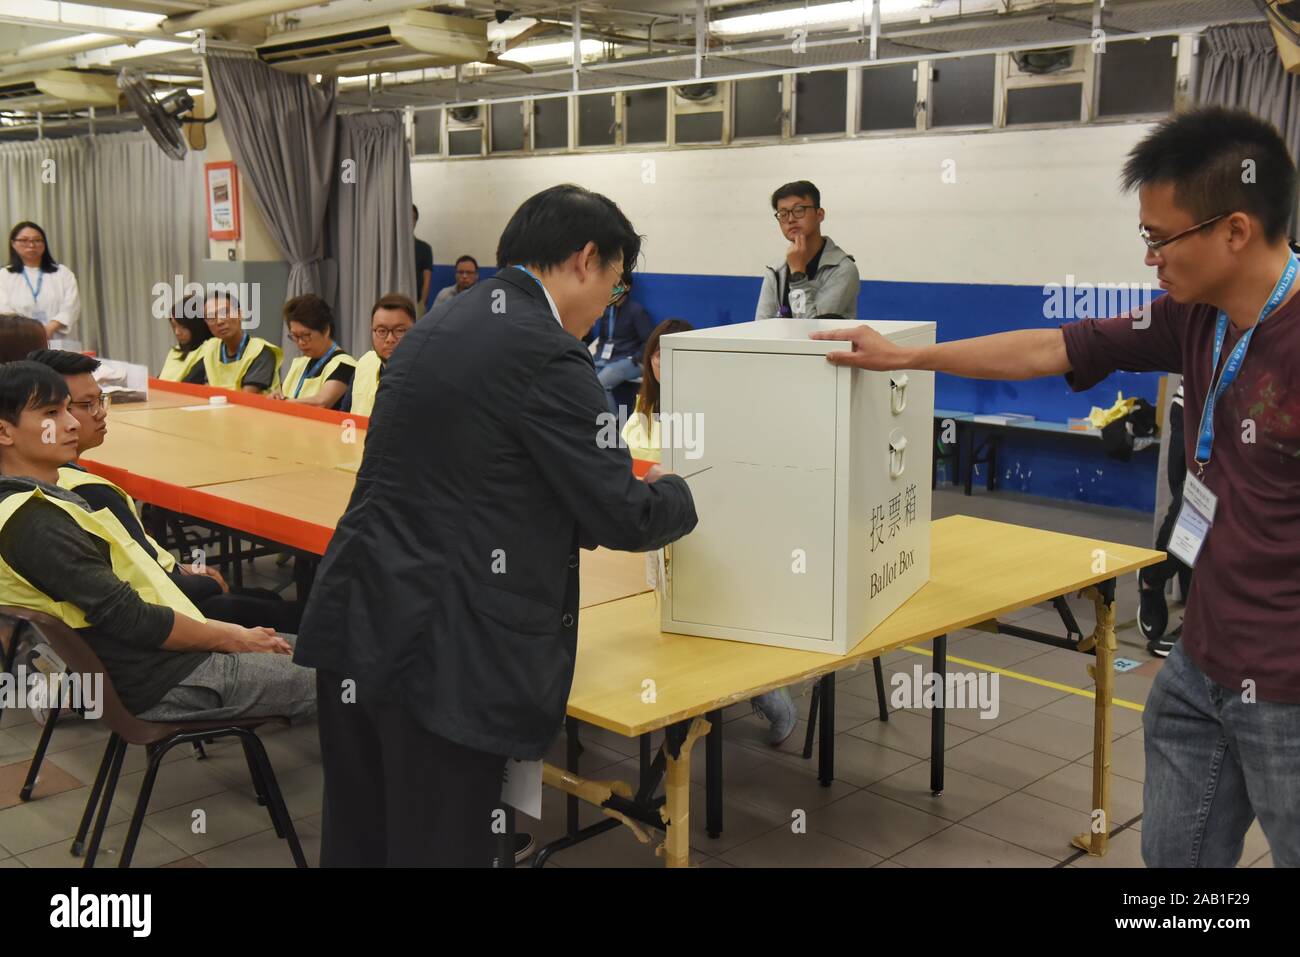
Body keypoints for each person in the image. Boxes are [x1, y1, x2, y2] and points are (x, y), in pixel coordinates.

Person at [814, 107, 1300, 869]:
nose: (1151, 259)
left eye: (1159, 237)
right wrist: (905, 359)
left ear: (1234, 230)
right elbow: (1053, 345)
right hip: (1202, 660)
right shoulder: (1193, 318)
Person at [293, 184, 698, 868]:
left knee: (363, 837)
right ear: (585, 258)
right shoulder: (548, 352)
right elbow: (618, 511)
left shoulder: (434, 326)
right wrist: (679, 495)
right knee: (447, 844)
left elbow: (484, 472)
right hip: (448, 659)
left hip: (357, 623)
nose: (609, 303)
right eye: (614, 283)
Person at [0, 360, 315, 723]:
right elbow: (131, 618)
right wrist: (234, 638)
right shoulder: (35, 522)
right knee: (355, 681)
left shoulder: (37, 502)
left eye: (71, 409)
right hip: (163, 675)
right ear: (5, 432)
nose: (71, 423)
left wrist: (232, 634)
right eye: (51, 413)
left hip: (156, 659)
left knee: (334, 657)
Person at [28, 348, 303, 636]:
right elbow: (148, 582)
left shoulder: (43, 479)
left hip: (159, 595)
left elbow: (138, 561)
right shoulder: (87, 492)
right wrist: (203, 582)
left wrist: (182, 568)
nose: (101, 412)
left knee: (265, 598)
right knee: (281, 611)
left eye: (101, 400)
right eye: (87, 405)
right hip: (168, 616)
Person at [1137, 382, 1192, 656]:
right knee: (1193, 511)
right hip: (1196, 410)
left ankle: (1153, 575)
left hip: (1250, 415)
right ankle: (1153, 577)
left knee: (1203, 518)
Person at [756, 181, 859, 320]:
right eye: (783, 213)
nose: (791, 219)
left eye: (799, 210)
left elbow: (812, 329)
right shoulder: (776, 270)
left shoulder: (842, 269)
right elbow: (761, 327)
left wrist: (797, 275)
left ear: (819, 214)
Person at [621, 318, 694, 462]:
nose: (670, 364)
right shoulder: (644, 402)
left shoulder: (699, 412)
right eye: (661, 356)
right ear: (650, 360)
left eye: (677, 356)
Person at [0, 222, 81, 347]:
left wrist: (50, 328)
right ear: (13, 243)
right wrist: (33, 331)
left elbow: (71, 307)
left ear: (44, 244)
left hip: (59, 339)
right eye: (24, 240)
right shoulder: (4, 275)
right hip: (19, 340)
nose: (31, 245)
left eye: (37, 240)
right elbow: (5, 310)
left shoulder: (62, 273)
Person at [185, 292, 282, 394]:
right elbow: (207, 391)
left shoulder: (259, 350)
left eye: (224, 313)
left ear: (239, 314)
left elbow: (246, 399)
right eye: (211, 317)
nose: (219, 322)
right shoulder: (211, 349)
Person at [584, 278, 656, 415]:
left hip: (630, 361)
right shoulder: (607, 311)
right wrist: (597, 356)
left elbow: (649, 341)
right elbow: (603, 339)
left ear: (627, 287)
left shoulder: (637, 311)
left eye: (617, 285)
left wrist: (635, 359)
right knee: (583, 373)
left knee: (601, 383)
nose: (613, 288)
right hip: (608, 358)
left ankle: (612, 423)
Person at [273, 295, 356, 411]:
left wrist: (283, 403)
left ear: (326, 330)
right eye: (295, 336)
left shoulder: (345, 364)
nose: (300, 342)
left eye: (306, 336)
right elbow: (282, 393)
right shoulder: (299, 364)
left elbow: (321, 403)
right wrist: (276, 396)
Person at [349, 293, 415, 418]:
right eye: (382, 331)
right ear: (372, 331)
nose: (390, 339)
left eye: (400, 330)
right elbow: (345, 415)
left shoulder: (427, 376)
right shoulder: (364, 363)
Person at [159, 294, 212, 382]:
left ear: (197, 325)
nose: (177, 332)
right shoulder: (175, 351)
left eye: (183, 327)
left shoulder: (210, 350)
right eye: (174, 326)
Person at [414, 204, 433, 308]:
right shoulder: (389, 249)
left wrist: (421, 305)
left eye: (412, 218)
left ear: (416, 221)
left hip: (415, 301)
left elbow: (427, 279)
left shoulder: (424, 248)